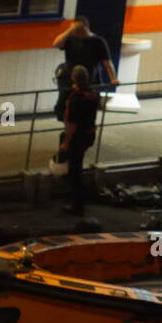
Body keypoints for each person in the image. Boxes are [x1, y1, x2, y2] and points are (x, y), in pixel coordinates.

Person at [52, 16, 117, 121]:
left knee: (86, 104)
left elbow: (107, 62)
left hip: (89, 79)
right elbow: (56, 43)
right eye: (76, 30)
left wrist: (113, 79)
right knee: (63, 104)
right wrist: (70, 30)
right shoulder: (71, 38)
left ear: (87, 28)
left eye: (80, 30)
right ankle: (67, 124)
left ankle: (83, 124)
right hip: (70, 78)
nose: (78, 33)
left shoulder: (98, 41)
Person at [61, 65, 102, 215]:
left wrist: (66, 142)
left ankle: (77, 205)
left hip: (78, 136)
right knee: (77, 166)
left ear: (74, 79)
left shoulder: (75, 98)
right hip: (89, 133)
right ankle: (78, 201)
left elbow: (72, 124)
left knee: (74, 170)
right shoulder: (93, 94)